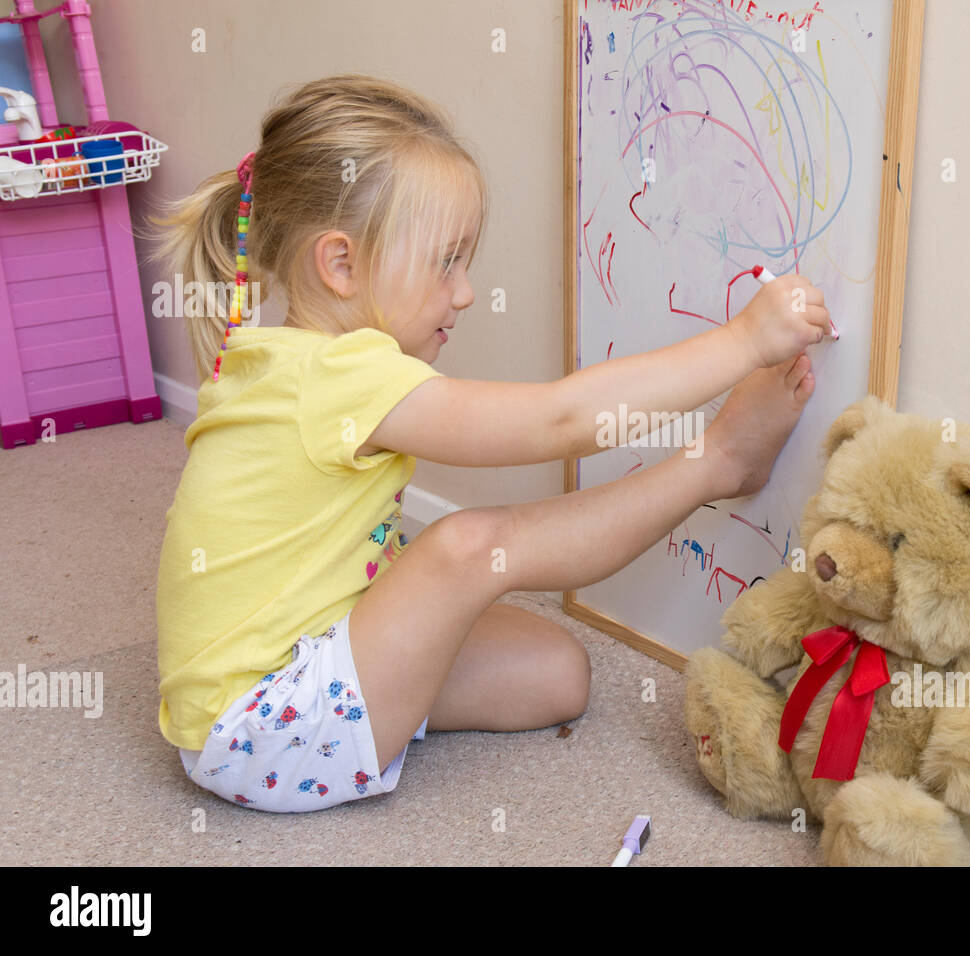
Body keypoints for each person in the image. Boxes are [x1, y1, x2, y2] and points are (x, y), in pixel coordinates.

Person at [148, 73, 830, 812]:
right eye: (447, 262)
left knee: (558, 672)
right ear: (340, 264)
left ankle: (375, 705)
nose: (465, 292)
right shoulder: (335, 376)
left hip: (298, 662)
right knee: (464, 545)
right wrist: (743, 340)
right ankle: (721, 462)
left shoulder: (279, 356)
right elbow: (560, 423)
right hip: (260, 731)